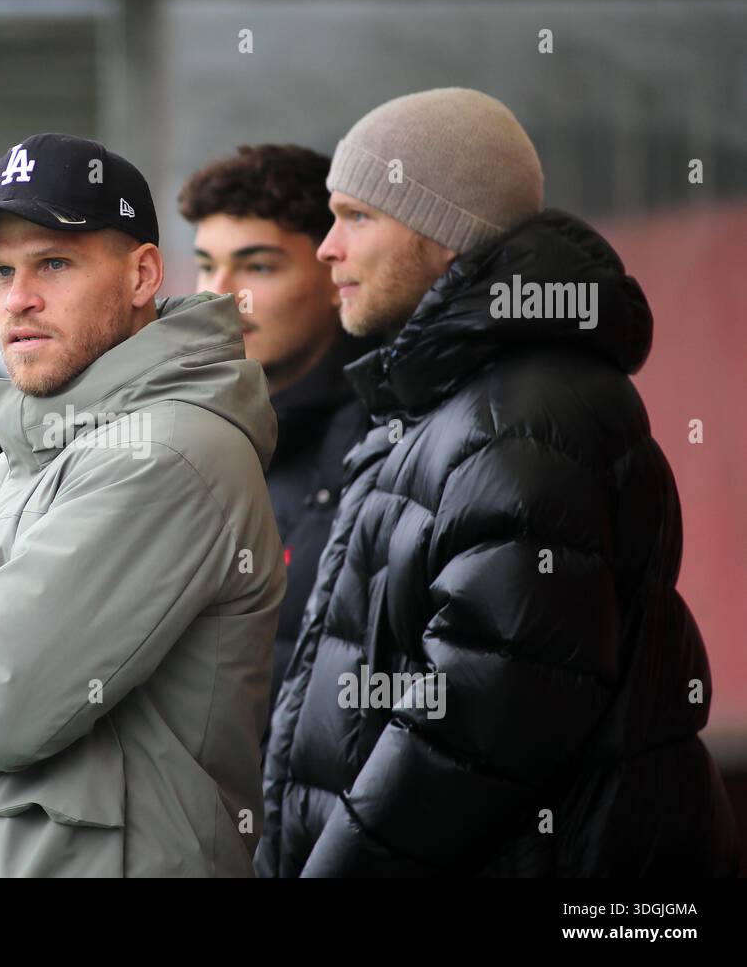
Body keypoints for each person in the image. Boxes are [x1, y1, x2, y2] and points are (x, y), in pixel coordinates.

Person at [256, 88, 738, 876]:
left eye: (358, 216)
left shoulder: (520, 419)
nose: (326, 248)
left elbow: (479, 719)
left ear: (449, 235)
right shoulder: (449, 401)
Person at [0, 133, 285, 877]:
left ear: (141, 275)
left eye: (54, 264)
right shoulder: (24, 457)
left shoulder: (169, 452)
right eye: (0, 270)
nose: (18, 298)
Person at [179, 144, 373, 739]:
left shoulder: (384, 440)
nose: (220, 295)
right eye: (207, 265)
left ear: (336, 273)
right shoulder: (184, 433)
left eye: (258, 267)